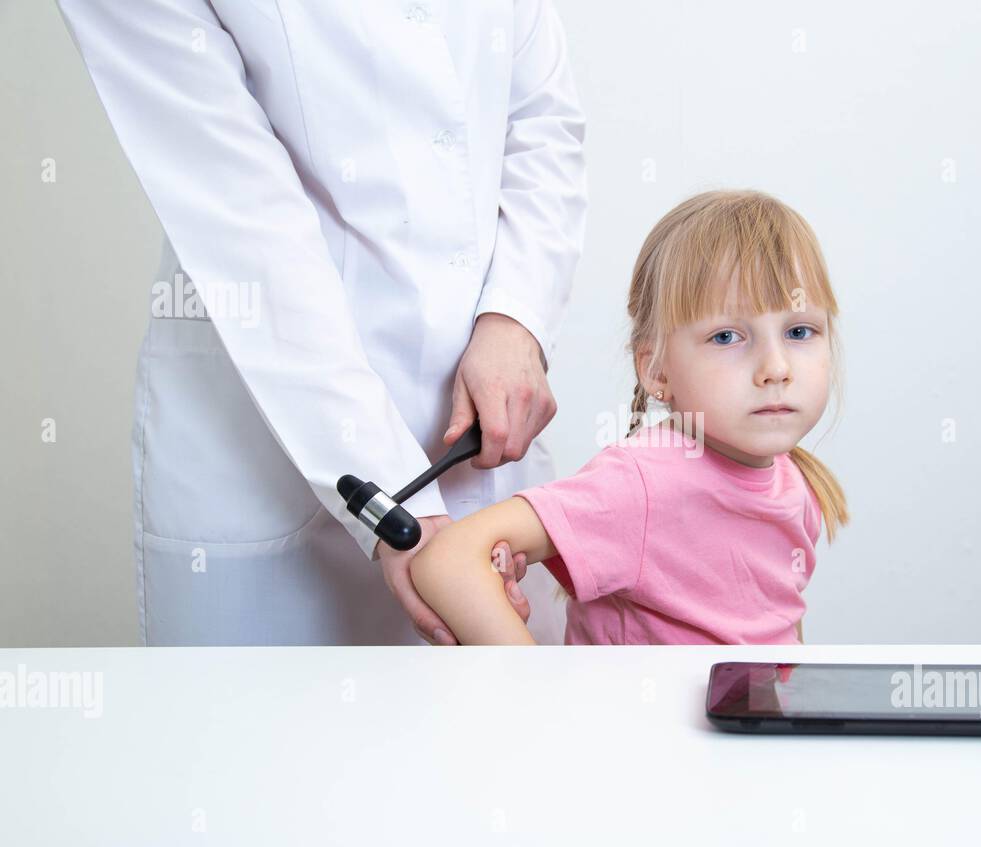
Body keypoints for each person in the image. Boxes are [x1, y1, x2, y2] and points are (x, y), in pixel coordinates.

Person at [55, 0, 588, 645]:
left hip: (484, 443)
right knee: (265, 741)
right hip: (270, 458)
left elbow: (540, 115)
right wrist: (393, 506)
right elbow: (244, 223)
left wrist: (515, 316)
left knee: (510, 737)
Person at [408, 190, 850, 645]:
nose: (775, 368)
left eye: (799, 331)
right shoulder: (644, 482)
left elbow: (775, 634)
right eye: (726, 337)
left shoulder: (797, 483)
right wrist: (533, 697)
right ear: (657, 370)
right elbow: (448, 559)